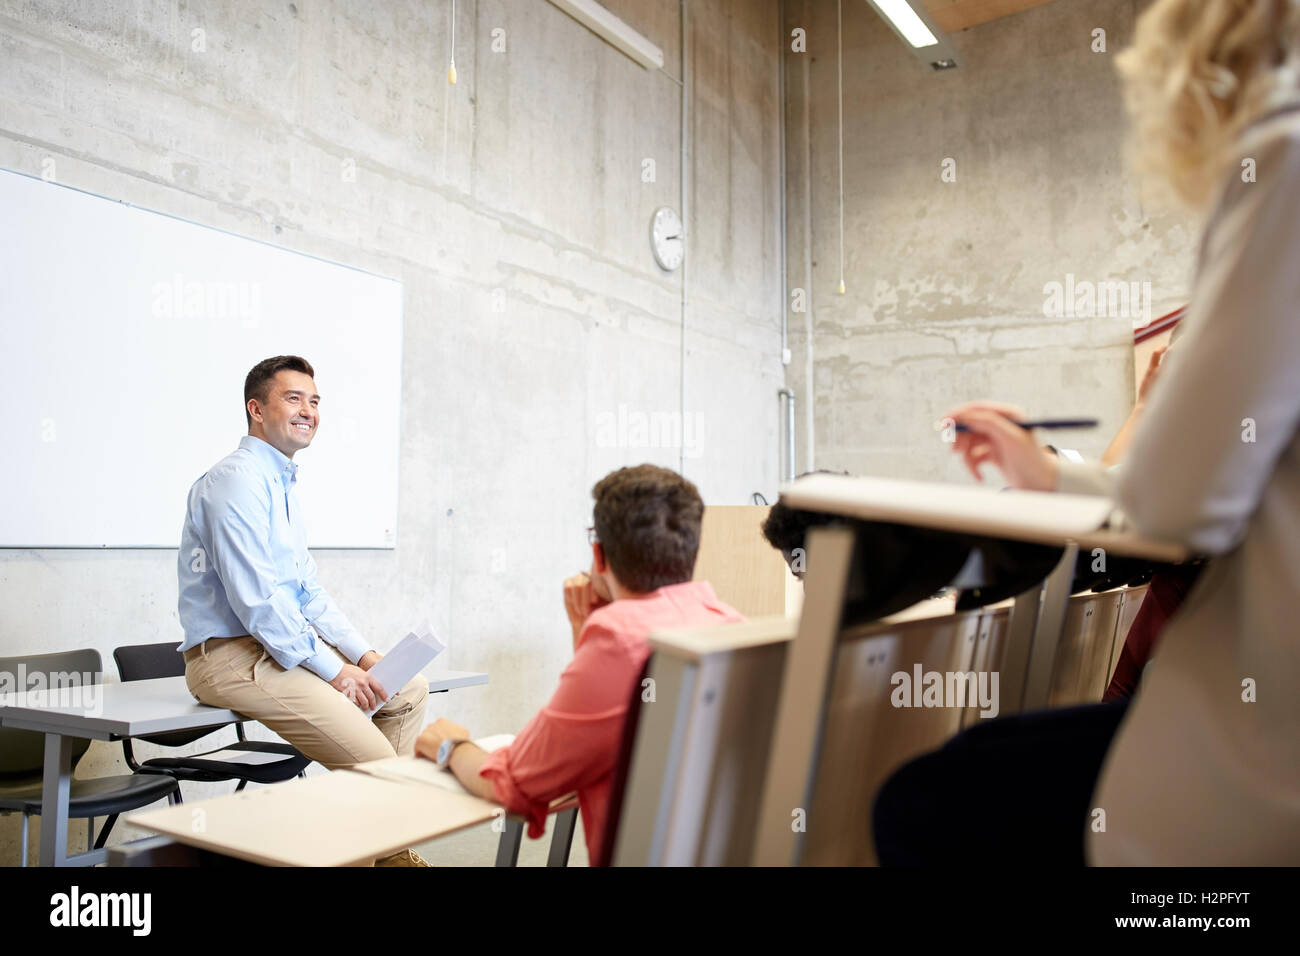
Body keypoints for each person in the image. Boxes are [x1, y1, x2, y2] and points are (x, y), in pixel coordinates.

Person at [875, 0, 1300, 865]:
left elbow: (1182, 503)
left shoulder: (1283, 158)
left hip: (1258, 753)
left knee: (924, 804)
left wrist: (1139, 422)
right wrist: (1050, 469)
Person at [414, 464, 743, 865]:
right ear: (692, 549)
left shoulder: (618, 639)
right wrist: (584, 634)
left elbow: (516, 782)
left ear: (598, 554)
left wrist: (452, 745)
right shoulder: (729, 624)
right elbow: (600, 736)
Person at [177, 355, 430, 866]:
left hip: (271, 647)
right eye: (294, 398)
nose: (308, 410)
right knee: (379, 766)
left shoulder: (281, 481)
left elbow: (306, 592)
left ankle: (382, 855)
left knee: (406, 691)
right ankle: (392, 859)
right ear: (256, 409)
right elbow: (260, 603)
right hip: (228, 657)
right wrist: (335, 672)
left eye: (314, 401)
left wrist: (363, 656)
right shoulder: (235, 481)